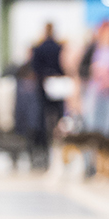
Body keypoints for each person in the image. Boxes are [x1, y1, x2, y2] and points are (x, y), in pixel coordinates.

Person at [77, 19, 109, 175]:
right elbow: (81, 69)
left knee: (105, 130)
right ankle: (88, 165)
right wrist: (93, 70)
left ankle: (105, 165)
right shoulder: (92, 48)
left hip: (108, 94)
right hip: (93, 94)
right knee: (90, 128)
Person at [29, 22, 65, 169]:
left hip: (43, 87)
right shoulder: (59, 48)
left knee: (43, 120)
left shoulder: (39, 48)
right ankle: (59, 147)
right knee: (59, 119)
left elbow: (34, 67)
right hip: (58, 86)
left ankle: (43, 149)